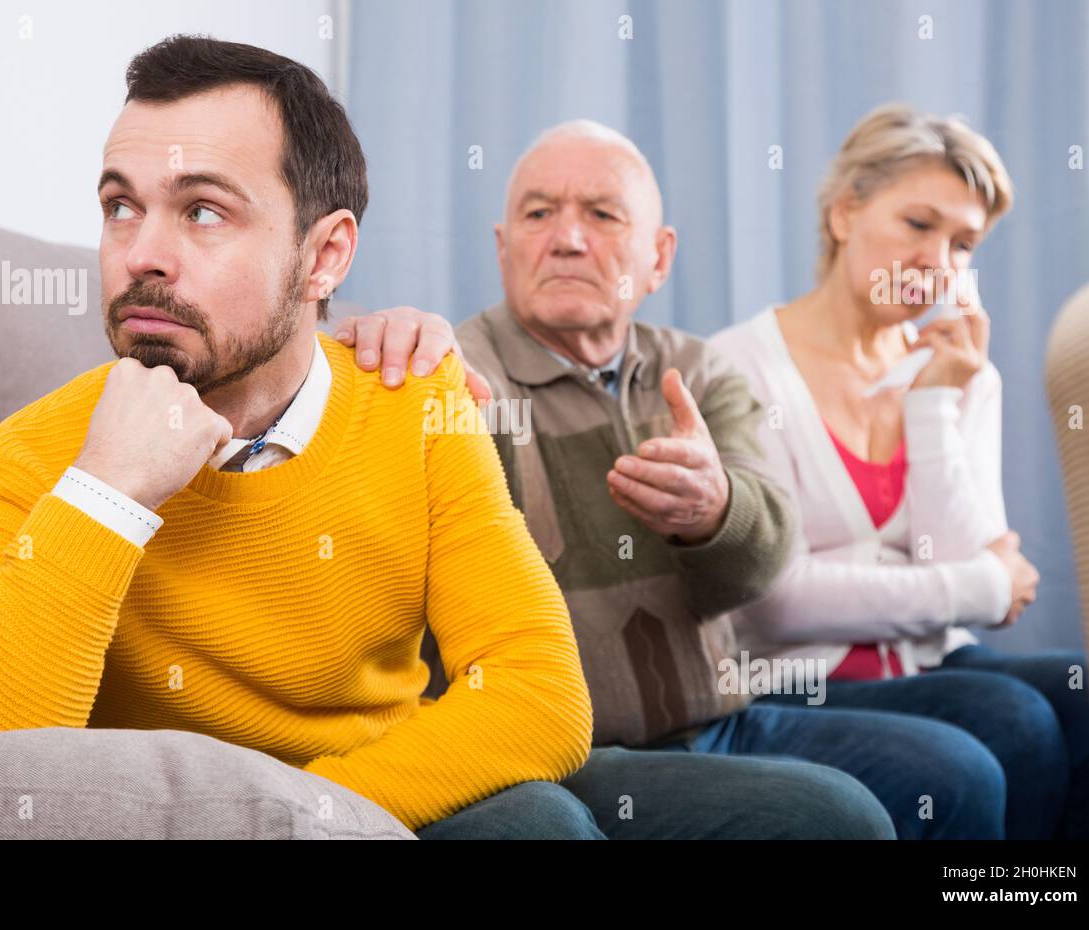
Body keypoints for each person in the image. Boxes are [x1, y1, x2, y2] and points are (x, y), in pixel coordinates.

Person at [0, 35, 603, 840]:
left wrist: (301, 819)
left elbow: (539, 695)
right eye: (121, 206)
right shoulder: (24, 462)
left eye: (203, 211)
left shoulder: (415, 402)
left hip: (386, 800)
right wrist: (105, 499)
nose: (141, 255)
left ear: (325, 257)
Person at [335, 119, 1010, 839]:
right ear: (504, 250)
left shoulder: (700, 368)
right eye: (539, 214)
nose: (567, 239)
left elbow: (761, 574)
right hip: (568, 754)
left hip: (721, 718)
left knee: (961, 771)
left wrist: (718, 513)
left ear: (658, 260)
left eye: (601, 214)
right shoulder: (453, 376)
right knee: (841, 818)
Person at [709, 103, 1089, 839]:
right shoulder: (737, 367)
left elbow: (976, 587)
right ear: (842, 216)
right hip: (792, 682)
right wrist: (983, 583)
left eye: (964, 243)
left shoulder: (961, 373)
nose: (940, 262)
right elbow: (776, 600)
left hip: (933, 663)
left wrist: (934, 407)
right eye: (918, 225)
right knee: (1014, 718)